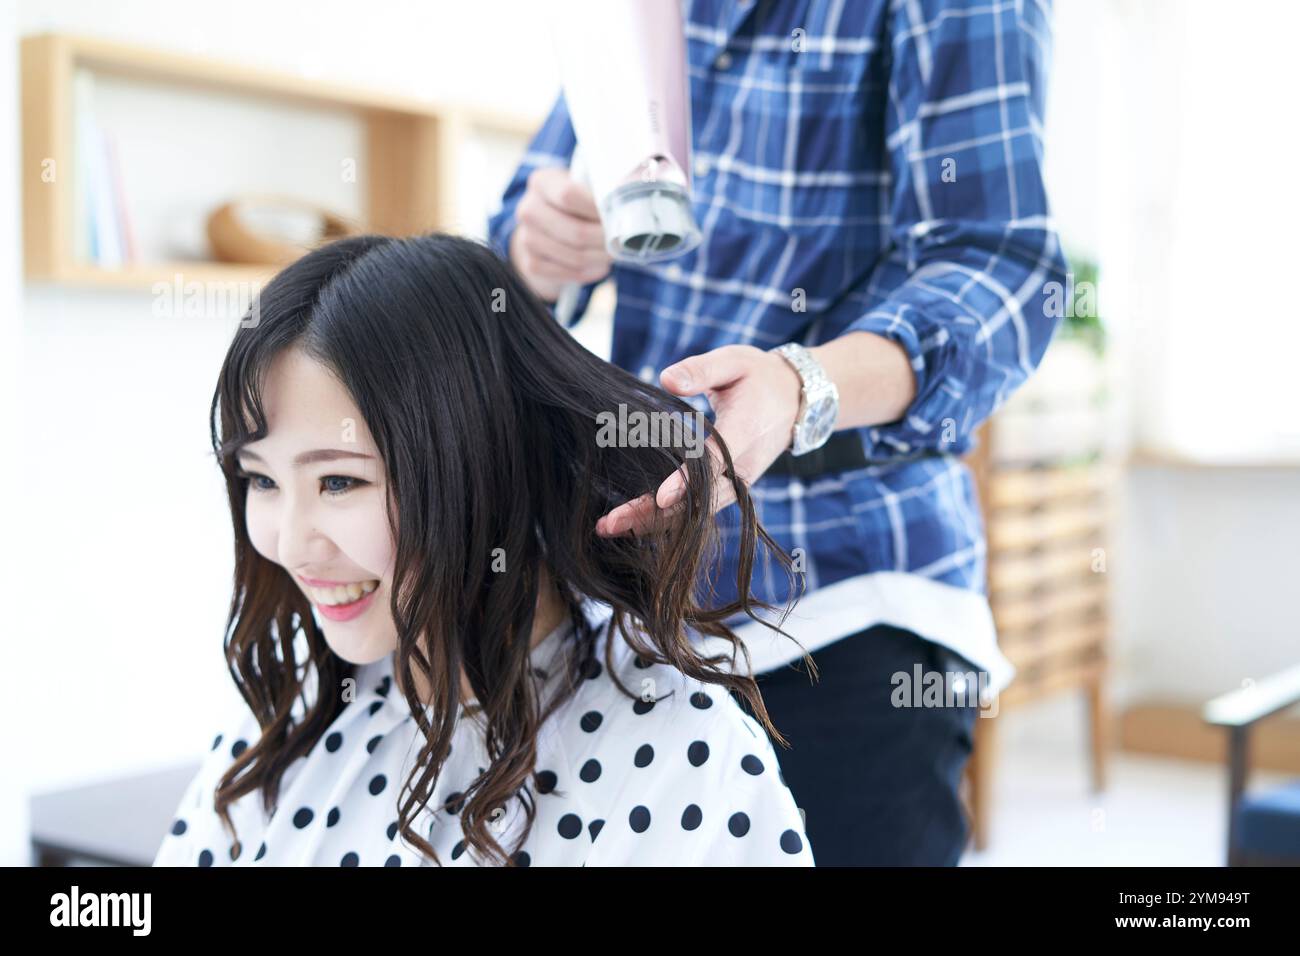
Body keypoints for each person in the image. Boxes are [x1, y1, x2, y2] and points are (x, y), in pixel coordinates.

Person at [488, 0, 1069, 865]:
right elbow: (511, 249)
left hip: (847, 605)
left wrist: (804, 386)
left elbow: (1002, 270)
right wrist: (538, 253)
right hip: (646, 605)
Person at [153, 232, 813, 867]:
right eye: (262, 480)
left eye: (339, 481)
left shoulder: (680, 757)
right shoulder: (293, 723)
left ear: (482, 462)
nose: (290, 543)